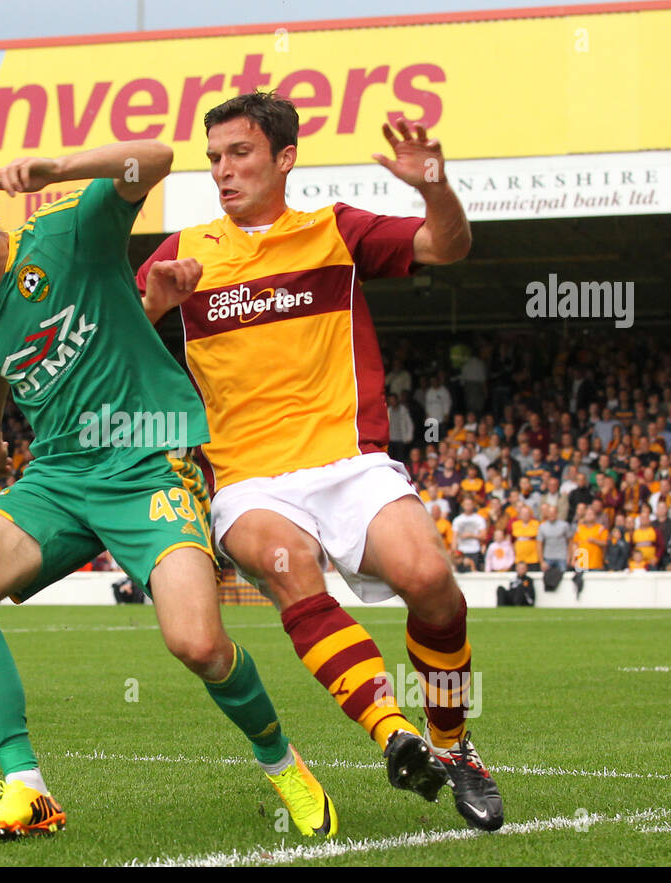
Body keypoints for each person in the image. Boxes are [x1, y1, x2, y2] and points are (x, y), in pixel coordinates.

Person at [0, 141, 335, 841]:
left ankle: (283, 763)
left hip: (149, 463)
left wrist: (56, 170)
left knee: (197, 645)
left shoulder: (69, 232)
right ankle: (25, 788)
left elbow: (156, 158)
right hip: (59, 477)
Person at [137, 92, 501, 830]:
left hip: (346, 459)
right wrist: (152, 302)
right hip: (247, 476)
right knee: (286, 566)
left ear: (284, 158)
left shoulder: (333, 230)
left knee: (433, 584)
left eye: (239, 154)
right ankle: (393, 734)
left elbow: (448, 247)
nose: (222, 171)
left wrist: (433, 185)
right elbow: (111, 339)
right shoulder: (185, 248)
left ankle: (454, 744)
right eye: (213, 158)